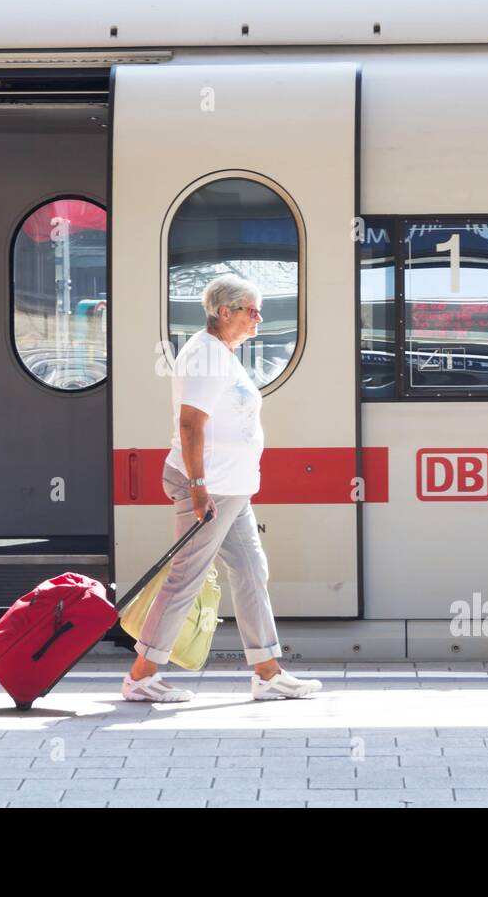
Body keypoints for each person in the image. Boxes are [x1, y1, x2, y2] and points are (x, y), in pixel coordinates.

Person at [122, 273, 322, 703]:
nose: (259, 318)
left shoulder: (221, 354)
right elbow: (191, 423)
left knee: (251, 570)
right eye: (252, 310)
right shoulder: (207, 357)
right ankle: (141, 674)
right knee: (186, 578)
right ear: (224, 312)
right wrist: (197, 488)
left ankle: (267, 672)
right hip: (210, 487)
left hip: (231, 488)